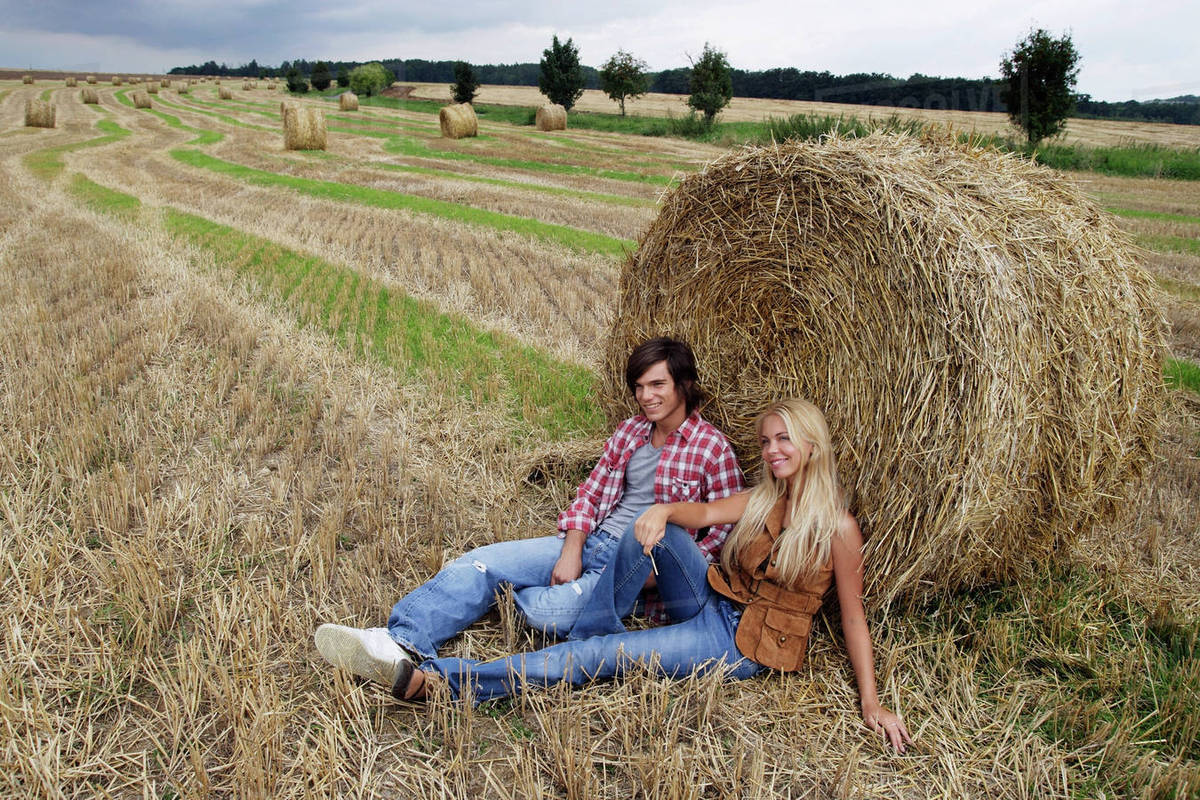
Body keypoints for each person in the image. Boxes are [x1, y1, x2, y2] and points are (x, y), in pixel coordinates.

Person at [383, 398, 912, 753]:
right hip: (711, 596)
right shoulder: (763, 498)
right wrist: (660, 512)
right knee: (653, 531)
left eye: (785, 441)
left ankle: (445, 683)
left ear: (812, 447)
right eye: (768, 440)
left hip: (739, 642)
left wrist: (871, 701)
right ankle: (594, 622)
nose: (772, 450)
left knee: (600, 658)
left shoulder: (838, 529)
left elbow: (853, 617)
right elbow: (702, 516)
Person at [315, 337, 744, 699]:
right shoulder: (629, 432)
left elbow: (717, 541)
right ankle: (398, 641)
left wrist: (647, 577)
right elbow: (590, 495)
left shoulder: (713, 449)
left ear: (683, 385)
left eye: (657, 385)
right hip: (593, 540)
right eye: (639, 386)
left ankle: (452, 673)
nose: (645, 396)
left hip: (633, 567)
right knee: (484, 563)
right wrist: (572, 549)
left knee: (539, 614)